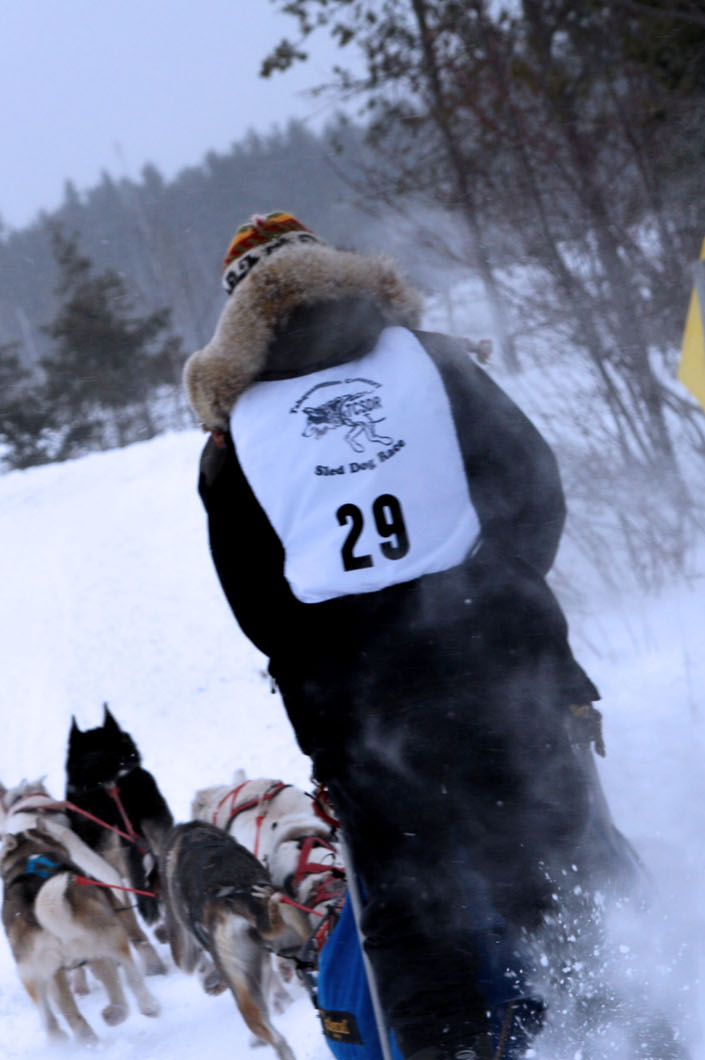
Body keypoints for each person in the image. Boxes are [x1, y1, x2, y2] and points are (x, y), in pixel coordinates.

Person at [185, 213, 636, 1060]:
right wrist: (496, 604)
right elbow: (532, 489)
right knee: (564, 879)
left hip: (367, 728)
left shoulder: (236, 441)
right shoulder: (437, 364)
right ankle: (627, 1036)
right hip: (506, 680)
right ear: (338, 270)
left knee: (413, 921)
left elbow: (260, 606)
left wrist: (333, 682)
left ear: (240, 305)